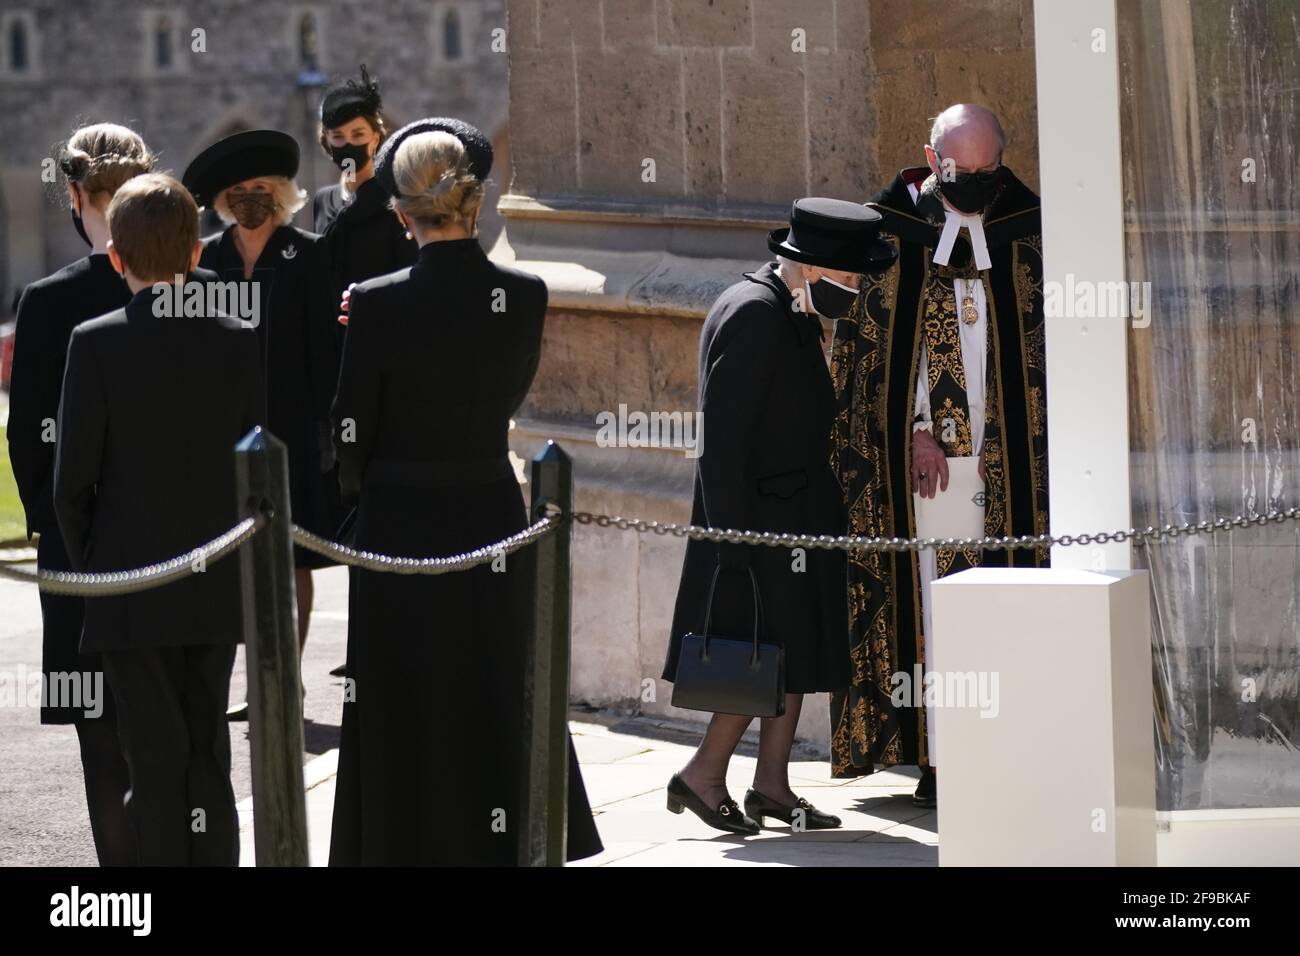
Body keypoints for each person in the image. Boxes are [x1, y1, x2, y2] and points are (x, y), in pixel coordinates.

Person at [328, 118, 602, 865]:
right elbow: (504, 394)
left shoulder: (376, 302)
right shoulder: (524, 292)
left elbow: (349, 429)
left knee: (403, 690)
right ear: (474, 202)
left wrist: (365, 486)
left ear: (399, 211)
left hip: (397, 518)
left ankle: (403, 840)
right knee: (495, 679)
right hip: (487, 507)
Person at [830, 104, 1049, 808]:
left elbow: (1050, 349)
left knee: (1007, 597)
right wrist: (913, 432)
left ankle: (1013, 742)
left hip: (1010, 457)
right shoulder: (888, 233)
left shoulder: (1027, 229)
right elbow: (867, 365)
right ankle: (939, 753)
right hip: (925, 463)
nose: (977, 183)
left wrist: (1020, 439)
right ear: (929, 155)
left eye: (989, 170)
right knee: (935, 601)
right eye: (960, 170)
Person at [661, 198, 896, 834]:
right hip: (759, 524)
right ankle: (702, 776)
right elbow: (723, 439)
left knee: (794, 653)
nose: (855, 290)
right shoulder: (755, 314)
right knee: (759, 655)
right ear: (815, 268)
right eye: (850, 279)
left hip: (797, 516)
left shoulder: (787, 307)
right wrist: (733, 543)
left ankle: (771, 786)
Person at [53, 173, 263, 865]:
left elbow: (72, 482)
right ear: (195, 254)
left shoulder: (96, 341)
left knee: (151, 755)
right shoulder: (236, 337)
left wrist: (96, 572)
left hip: (129, 583)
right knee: (208, 746)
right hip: (213, 577)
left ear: (116, 256)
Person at [7, 122, 154, 866]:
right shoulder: (204, 291)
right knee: (183, 741)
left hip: (77, 558)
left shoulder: (45, 300)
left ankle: (123, 900)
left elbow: (30, 438)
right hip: (182, 548)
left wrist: (54, 530)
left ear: (73, 194)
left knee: (103, 750)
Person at [182, 130, 341, 719]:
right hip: (222, 436)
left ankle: (282, 680)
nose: (250, 199)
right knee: (233, 561)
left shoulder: (311, 253)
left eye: (262, 189)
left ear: (282, 193)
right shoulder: (206, 260)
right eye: (239, 191)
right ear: (223, 200)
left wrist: (332, 433)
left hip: (294, 433)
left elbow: (329, 351)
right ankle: (250, 679)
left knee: (292, 559)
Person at [313, 65, 417, 679]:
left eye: (357, 133)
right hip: (335, 372)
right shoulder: (325, 203)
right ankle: (362, 646)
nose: (348, 146)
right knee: (350, 511)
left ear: (376, 133)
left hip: (385, 375)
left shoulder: (396, 200)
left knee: (383, 509)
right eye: (337, 137)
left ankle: (384, 642)